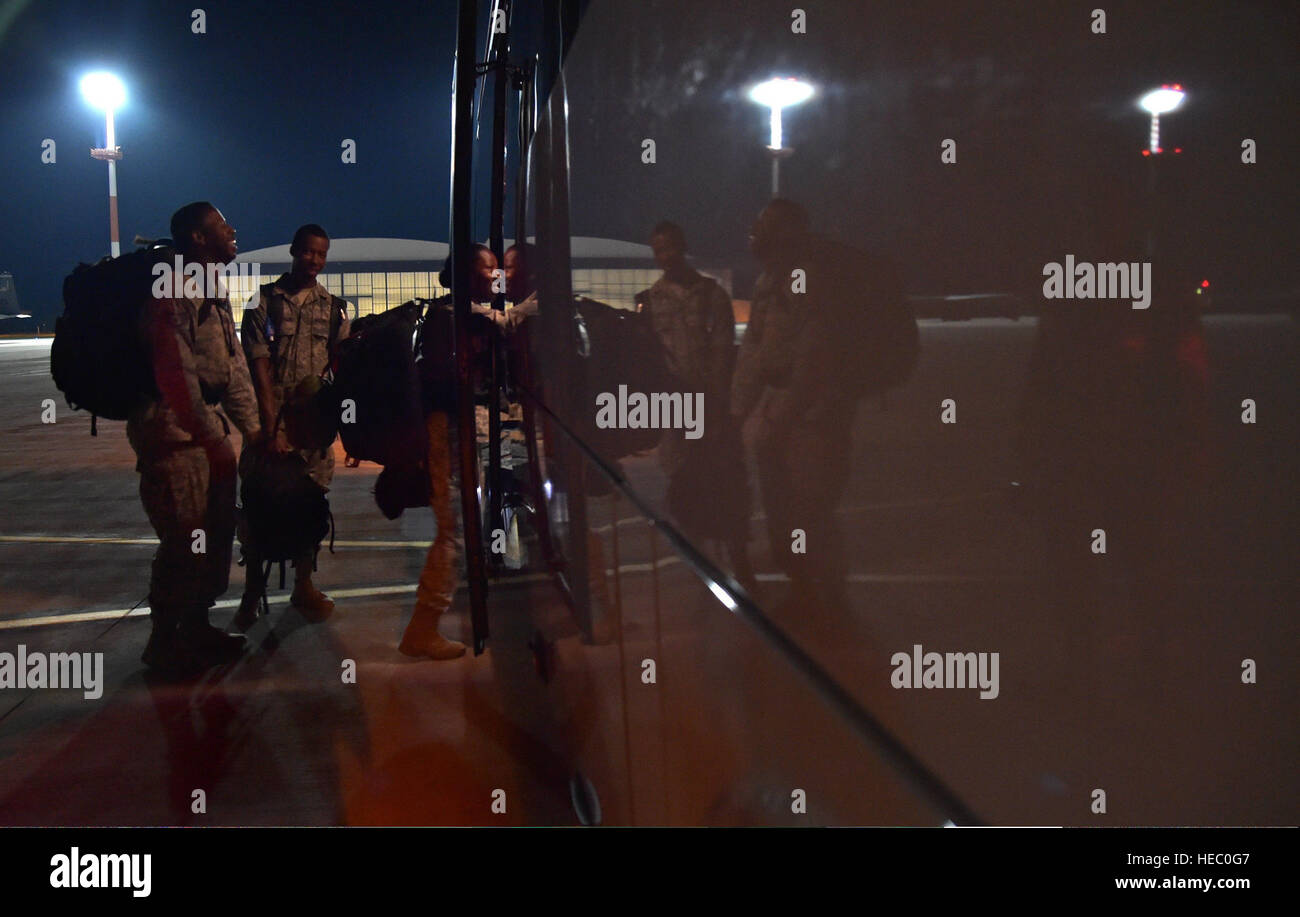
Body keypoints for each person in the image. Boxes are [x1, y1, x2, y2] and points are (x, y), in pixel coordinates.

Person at [128, 202, 262, 675]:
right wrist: (211, 438)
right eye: (223, 226)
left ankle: (198, 627)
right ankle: (164, 642)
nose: (233, 231)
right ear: (198, 238)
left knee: (215, 536)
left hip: (207, 435)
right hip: (174, 437)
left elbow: (233, 368)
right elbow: (177, 376)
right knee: (186, 541)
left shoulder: (213, 289)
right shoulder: (170, 292)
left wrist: (254, 430)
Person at [732, 199, 856, 601]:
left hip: (814, 416)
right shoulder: (770, 281)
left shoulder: (811, 279)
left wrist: (784, 414)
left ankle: (828, 600)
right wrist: (736, 411)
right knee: (781, 501)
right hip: (779, 410)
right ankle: (800, 577)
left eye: (766, 224)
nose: (757, 231)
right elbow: (754, 351)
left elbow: (814, 354)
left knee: (810, 505)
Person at [235, 224, 351, 628]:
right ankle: (252, 592)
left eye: (321, 254)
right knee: (258, 505)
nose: (314, 261)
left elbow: (339, 369)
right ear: (293, 250)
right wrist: (271, 429)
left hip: (312, 430)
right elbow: (258, 366)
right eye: (307, 252)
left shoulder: (335, 307)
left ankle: (304, 585)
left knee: (311, 505)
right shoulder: (263, 300)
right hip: (271, 424)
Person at [398, 247, 500, 659]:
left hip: (454, 434)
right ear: (467, 275)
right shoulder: (450, 319)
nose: (495, 274)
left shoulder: (459, 315)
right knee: (452, 532)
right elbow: (443, 385)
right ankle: (422, 628)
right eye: (488, 267)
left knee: (459, 529)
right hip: (448, 435)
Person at [643, 221, 753, 586]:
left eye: (671, 247)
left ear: (683, 247)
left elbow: (724, 352)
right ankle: (699, 562)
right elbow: (655, 359)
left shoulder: (711, 293)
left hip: (712, 405)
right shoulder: (652, 299)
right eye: (660, 250)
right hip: (676, 408)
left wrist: (720, 407)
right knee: (682, 484)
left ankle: (741, 559)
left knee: (728, 482)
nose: (667, 255)